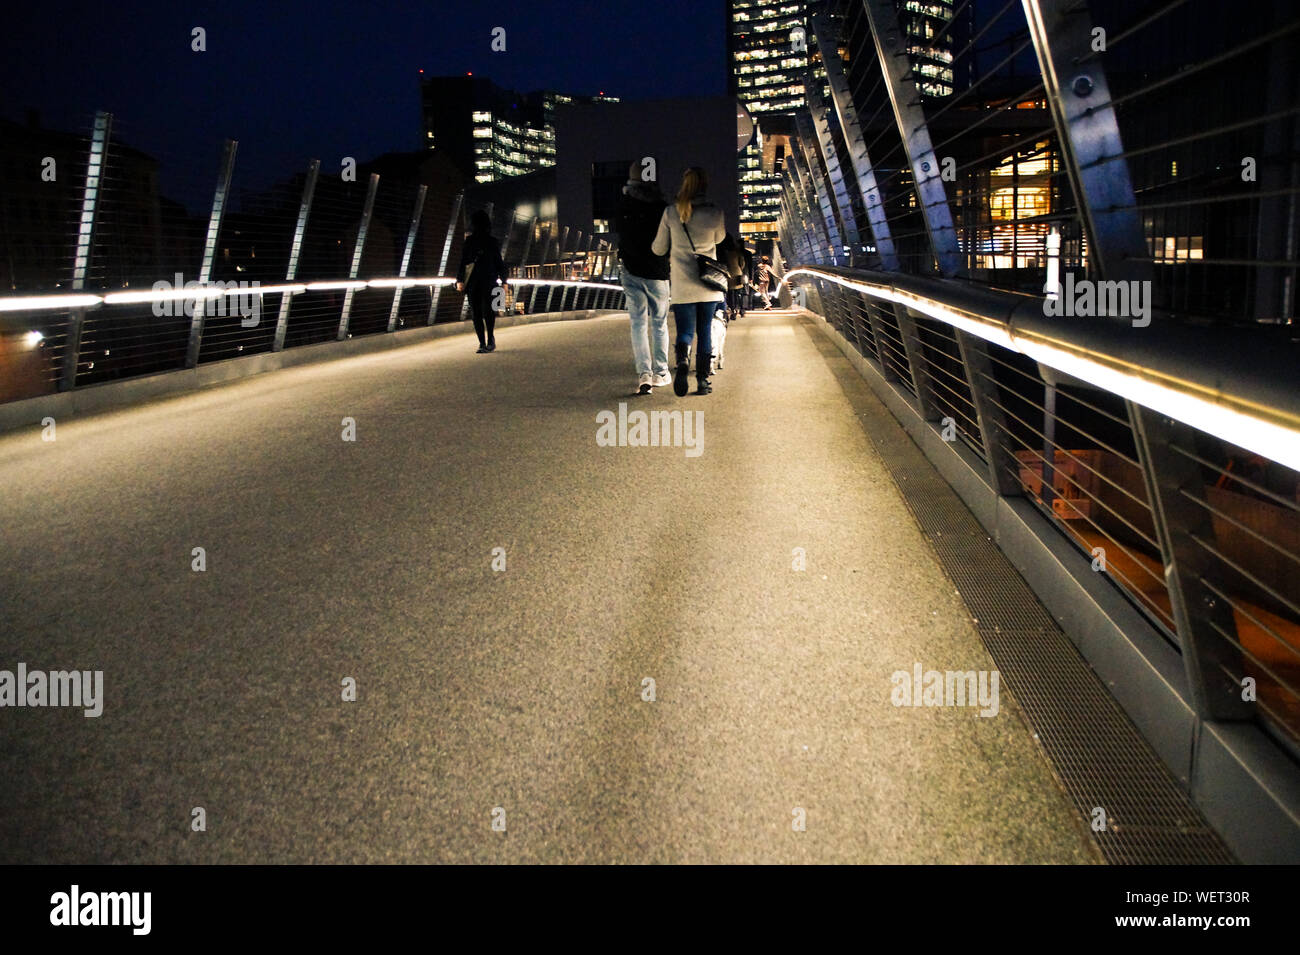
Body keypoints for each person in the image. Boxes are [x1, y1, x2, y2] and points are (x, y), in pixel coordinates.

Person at [651, 167, 728, 396]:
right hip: (708, 285)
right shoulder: (715, 213)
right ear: (705, 185)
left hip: (683, 285)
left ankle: (683, 359)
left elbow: (658, 248)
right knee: (704, 331)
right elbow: (720, 239)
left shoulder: (671, 213)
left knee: (685, 330)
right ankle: (703, 381)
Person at [614, 162, 671, 394]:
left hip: (630, 269)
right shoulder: (662, 207)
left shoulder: (622, 205)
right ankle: (661, 372)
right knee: (659, 323)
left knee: (638, 323)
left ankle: (644, 374)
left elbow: (621, 234)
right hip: (657, 272)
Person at [456, 210, 509, 353]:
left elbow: (463, 262)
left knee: (476, 313)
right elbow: (499, 262)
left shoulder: (469, 241)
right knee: (488, 311)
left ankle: (482, 343)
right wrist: (504, 281)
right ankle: (490, 340)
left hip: (473, 282)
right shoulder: (492, 241)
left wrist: (460, 280)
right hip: (489, 279)